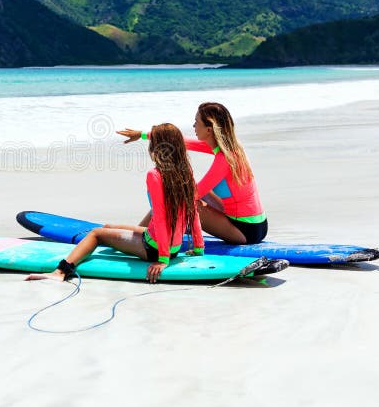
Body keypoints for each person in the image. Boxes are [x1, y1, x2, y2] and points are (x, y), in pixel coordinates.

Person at [26, 123, 204, 284]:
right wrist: (198, 248)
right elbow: (193, 212)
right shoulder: (186, 172)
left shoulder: (155, 175)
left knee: (96, 234)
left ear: (156, 147)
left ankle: (61, 272)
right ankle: (114, 240)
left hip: (154, 247)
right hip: (174, 246)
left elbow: (160, 217)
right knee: (108, 227)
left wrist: (163, 259)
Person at [117, 102, 267, 245]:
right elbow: (178, 141)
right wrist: (143, 134)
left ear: (209, 129)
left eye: (197, 122)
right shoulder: (233, 149)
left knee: (177, 200)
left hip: (245, 230)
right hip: (257, 224)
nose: (194, 126)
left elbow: (192, 196)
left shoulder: (224, 160)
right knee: (188, 188)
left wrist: (160, 200)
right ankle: (156, 229)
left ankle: (139, 235)